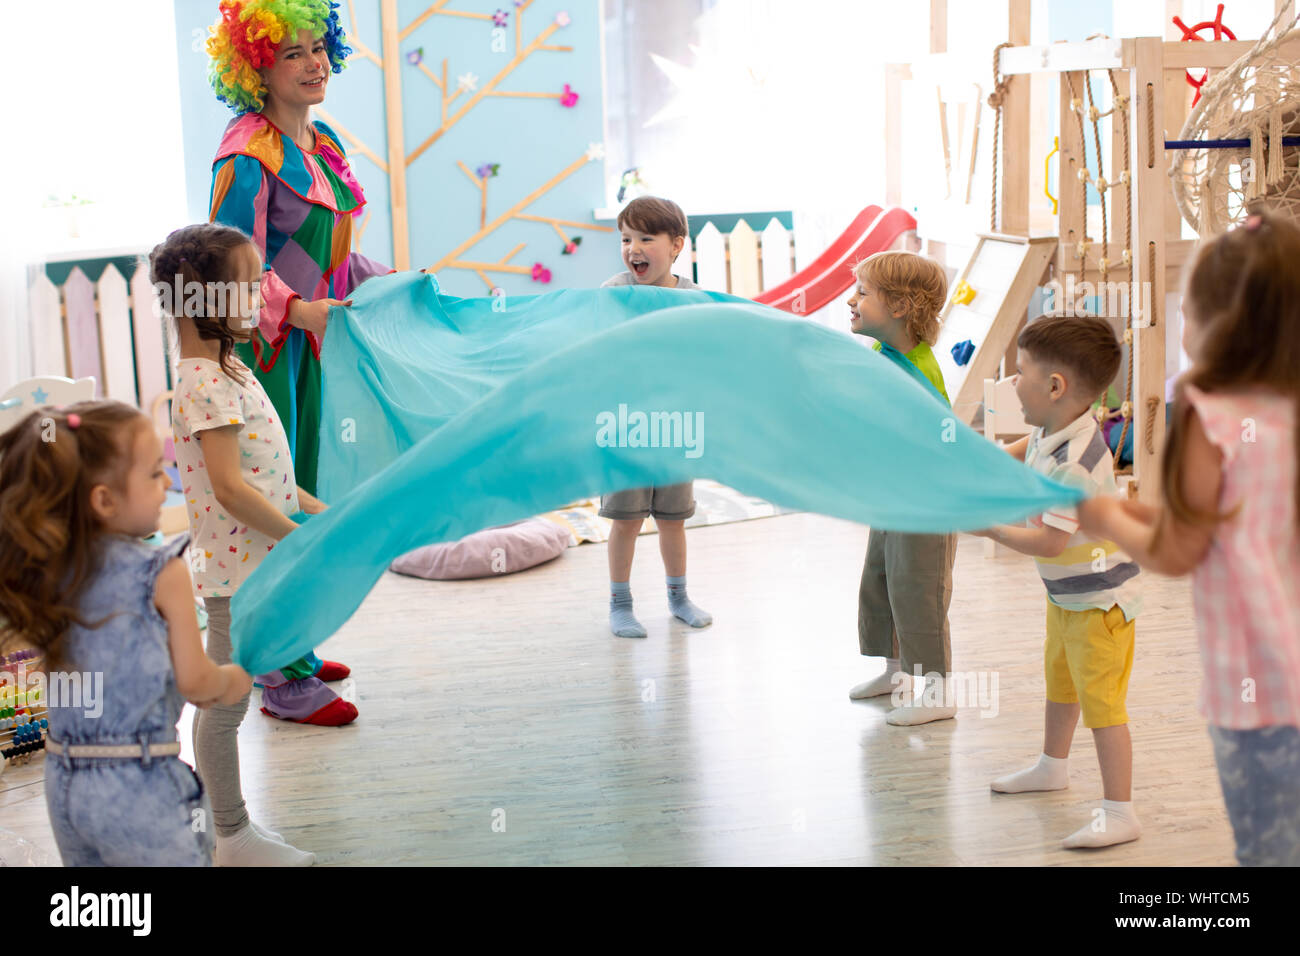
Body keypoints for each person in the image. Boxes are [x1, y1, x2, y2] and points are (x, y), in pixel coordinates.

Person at [1078, 208, 1300, 865]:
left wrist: (1104, 518)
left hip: (1260, 692)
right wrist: (1132, 510)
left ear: (1220, 326)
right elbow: (1236, 526)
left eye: (1189, 312)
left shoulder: (1209, 418)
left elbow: (1180, 550)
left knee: (1268, 852)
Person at [153, 222, 359, 864]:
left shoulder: (230, 367)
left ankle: (229, 834)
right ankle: (232, 836)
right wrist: (302, 538)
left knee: (236, 694)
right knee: (224, 700)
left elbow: (274, 477)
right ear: (205, 301)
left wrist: (324, 513)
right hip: (233, 578)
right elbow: (231, 491)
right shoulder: (202, 382)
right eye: (248, 286)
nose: (263, 296)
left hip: (259, 566)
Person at [206, 0, 384, 707]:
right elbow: (225, 261)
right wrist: (290, 308)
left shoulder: (324, 139)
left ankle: (294, 646)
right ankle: (273, 670)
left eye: (320, 48)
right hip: (259, 352)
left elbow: (330, 250)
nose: (316, 64)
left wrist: (377, 284)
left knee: (301, 486)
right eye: (292, 54)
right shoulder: (246, 152)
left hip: (308, 347)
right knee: (266, 497)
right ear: (255, 66)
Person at [0, 401, 251, 865]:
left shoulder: (53, 571)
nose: (166, 485)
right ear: (104, 500)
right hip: (138, 783)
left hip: (63, 780)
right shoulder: (162, 573)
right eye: (155, 473)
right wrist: (235, 679)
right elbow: (196, 683)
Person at [974, 314, 1143, 848]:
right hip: (1068, 594)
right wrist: (985, 463)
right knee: (1061, 683)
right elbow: (1028, 449)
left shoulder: (1074, 464)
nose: (1011, 383)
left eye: (1018, 372)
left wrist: (987, 529)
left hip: (1100, 603)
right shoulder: (1055, 428)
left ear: (1054, 386)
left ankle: (1120, 811)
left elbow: (1047, 542)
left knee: (1103, 708)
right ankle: (1053, 765)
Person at [845, 251, 959, 726]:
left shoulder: (916, 372)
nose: (851, 300)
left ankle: (938, 690)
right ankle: (895, 672)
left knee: (918, 593)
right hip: (893, 498)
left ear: (899, 307)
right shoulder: (885, 353)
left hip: (926, 505)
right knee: (882, 583)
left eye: (863, 292)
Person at [598, 196, 711, 638]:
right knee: (626, 519)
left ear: (677, 245)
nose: (633, 248)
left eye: (646, 238)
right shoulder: (613, 293)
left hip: (676, 425)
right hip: (625, 424)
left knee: (673, 517)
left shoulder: (694, 298)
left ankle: (678, 596)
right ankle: (620, 604)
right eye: (626, 238)